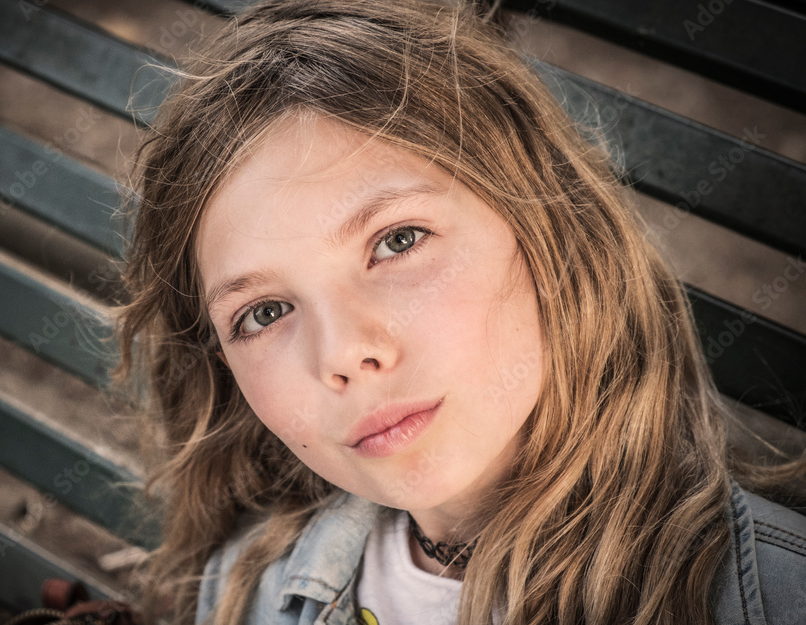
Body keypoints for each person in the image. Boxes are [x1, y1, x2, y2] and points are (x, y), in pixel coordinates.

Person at [113, 1, 806, 623]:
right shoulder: (248, 590)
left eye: (398, 240)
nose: (343, 352)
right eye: (264, 312)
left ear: (549, 232)